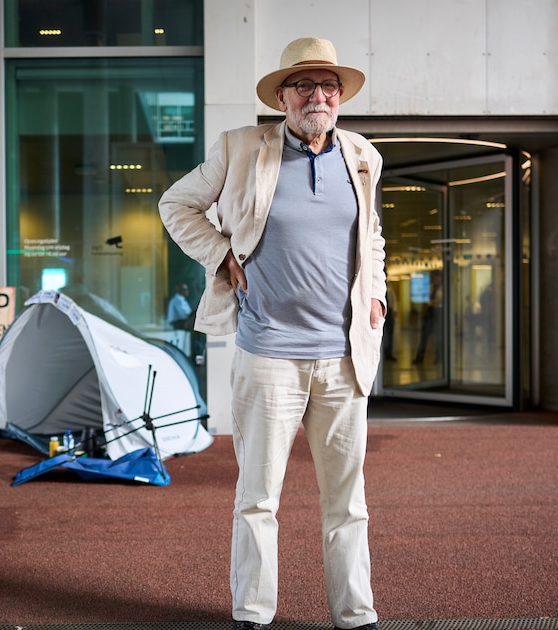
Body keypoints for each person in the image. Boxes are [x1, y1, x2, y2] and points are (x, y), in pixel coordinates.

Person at [159, 37, 384, 630]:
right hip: (268, 356)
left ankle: (356, 614)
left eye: (328, 86)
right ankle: (253, 613)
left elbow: (372, 236)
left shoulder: (361, 154)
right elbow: (176, 205)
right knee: (258, 497)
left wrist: (378, 292)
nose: (318, 96)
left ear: (340, 97)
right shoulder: (240, 148)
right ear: (282, 96)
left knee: (348, 502)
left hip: (342, 359)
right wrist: (220, 253)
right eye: (304, 85)